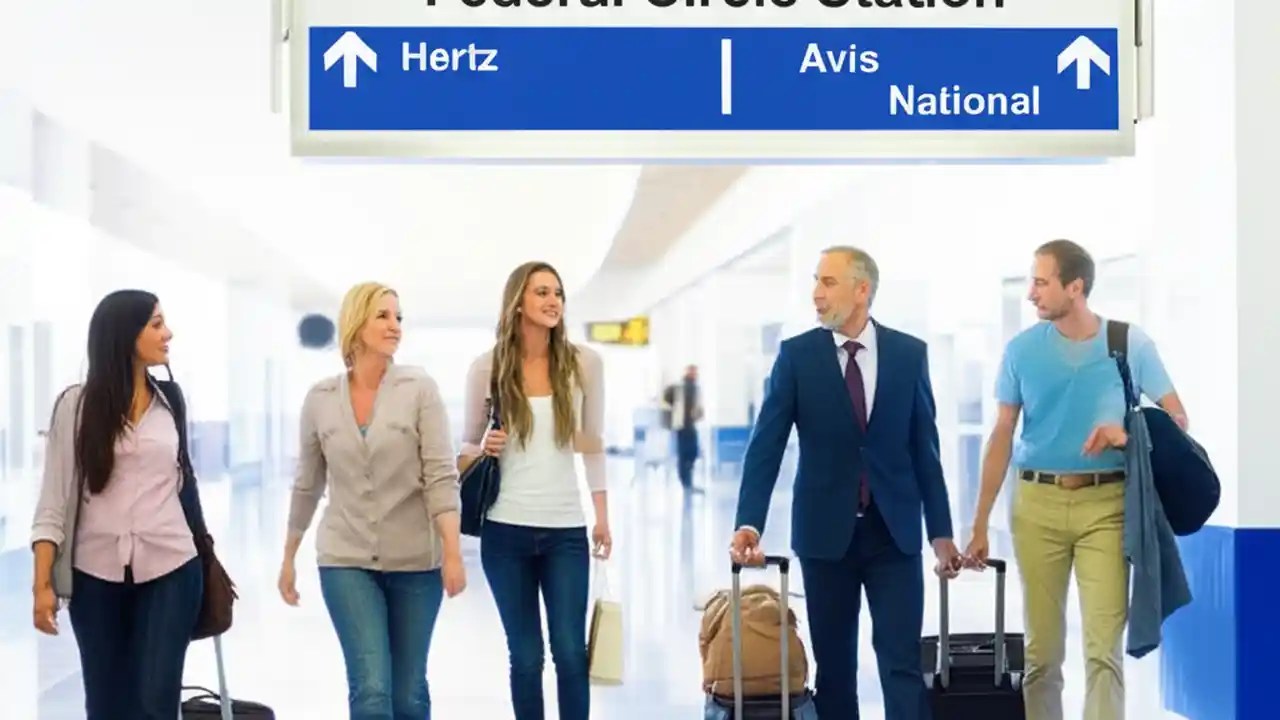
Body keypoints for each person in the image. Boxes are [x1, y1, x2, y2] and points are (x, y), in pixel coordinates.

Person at [730, 245, 961, 720]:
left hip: (892, 534)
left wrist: (940, 533)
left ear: (862, 290)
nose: (816, 294)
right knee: (834, 671)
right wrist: (749, 523)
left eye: (827, 283)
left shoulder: (907, 354)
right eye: (815, 281)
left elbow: (925, 449)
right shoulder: (797, 357)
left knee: (900, 665)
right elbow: (766, 444)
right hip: (824, 536)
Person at [963, 240, 1187, 720]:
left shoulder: (1128, 344)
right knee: (1042, 656)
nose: (1031, 294)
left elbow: (1177, 420)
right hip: (1035, 505)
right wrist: (979, 521)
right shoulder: (1022, 351)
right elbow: (1003, 432)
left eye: (1041, 282)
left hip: (1106, 507)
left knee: (1103, 651)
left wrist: (1123, 432)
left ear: (1076, 286)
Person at [279, 281, 466, 720]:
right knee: (371, 691)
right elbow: (307, 483)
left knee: (408, 695)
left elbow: (441, 475)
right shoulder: (320, 399)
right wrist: (289, 557)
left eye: (398, 317)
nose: (395, 326)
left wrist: (453, 553)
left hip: (417, 562)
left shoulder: (420, 389)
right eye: (383, 316)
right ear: (356, 323)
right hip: (345, 559)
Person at [30, 289, 205, 719]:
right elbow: (53, 503)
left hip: (172, 568)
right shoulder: (76, 406)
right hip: (95, 577)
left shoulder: (172, 401)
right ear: (126, 334)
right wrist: (42, 585)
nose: (169, 334)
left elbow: (184, 481)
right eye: (157, 324)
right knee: (107, 706)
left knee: (155, 704)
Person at [458, 260, 612, 720]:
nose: (552, 302)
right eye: (541, 292)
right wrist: (483, 445)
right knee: (525, 656)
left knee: (569, 652)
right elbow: (463, 450)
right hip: (505, 533)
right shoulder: (486, 367)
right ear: (518, 302)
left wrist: (602, 515)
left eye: (558, 293)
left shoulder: (584, 364)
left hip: (565, 529)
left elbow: (591, 443)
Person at [663, 364, 704, 490]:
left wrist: (699, 413)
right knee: (683, 454)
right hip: (680, 425)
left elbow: (699, 406)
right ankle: (685, 481)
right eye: (692, 371)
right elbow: (666, 401)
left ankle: (688, 478)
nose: (694, 374)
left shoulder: (696, 388)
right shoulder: (677, 388)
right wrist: (669, 418)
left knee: (693, 452)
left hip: (691, 424)